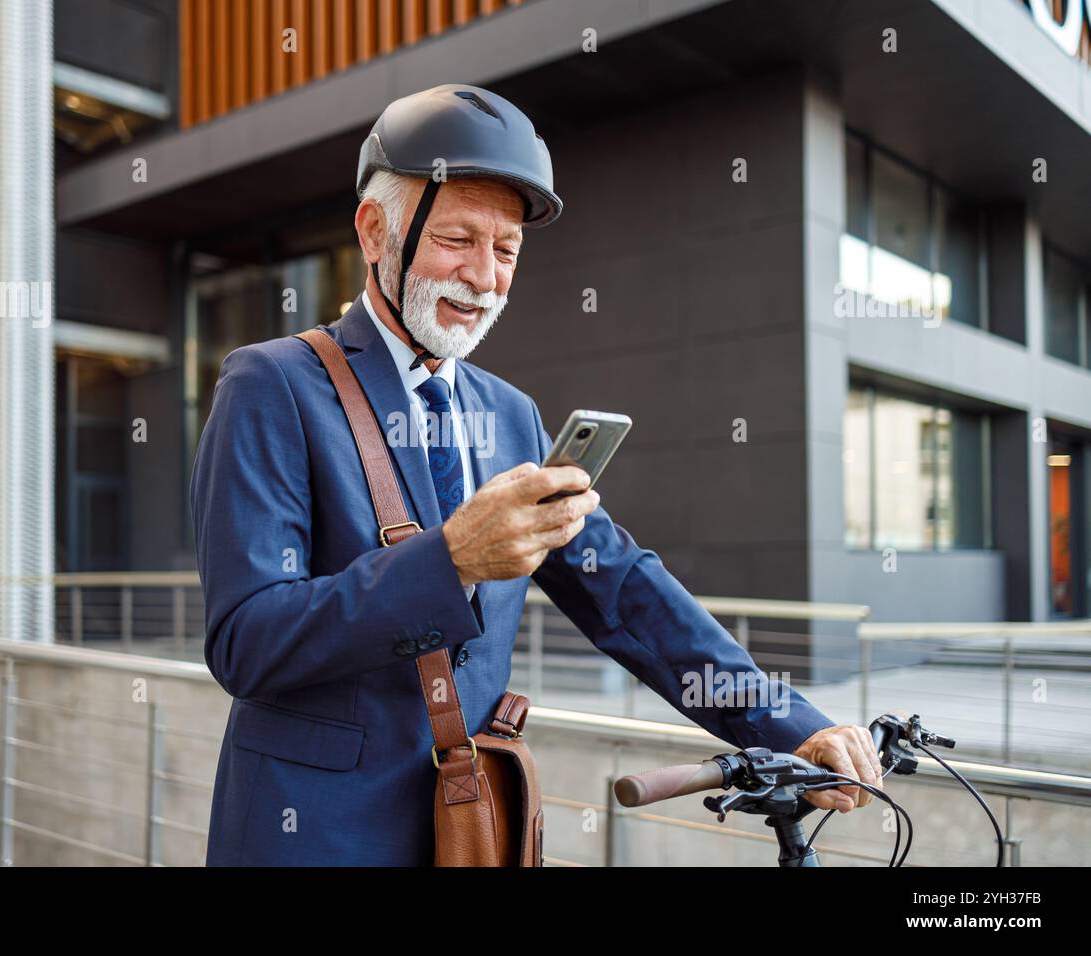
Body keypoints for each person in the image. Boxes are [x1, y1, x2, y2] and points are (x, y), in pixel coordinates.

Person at [189, 83, 880, 866]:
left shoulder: (513, 415)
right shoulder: (270, 384)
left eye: (507, 249)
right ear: (375, 229)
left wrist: (790, 725)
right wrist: (449, 562)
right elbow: (246, 642)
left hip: (474, 828)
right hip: (311, 835)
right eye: (458, 239)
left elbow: (624, 593)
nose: (484, 276)